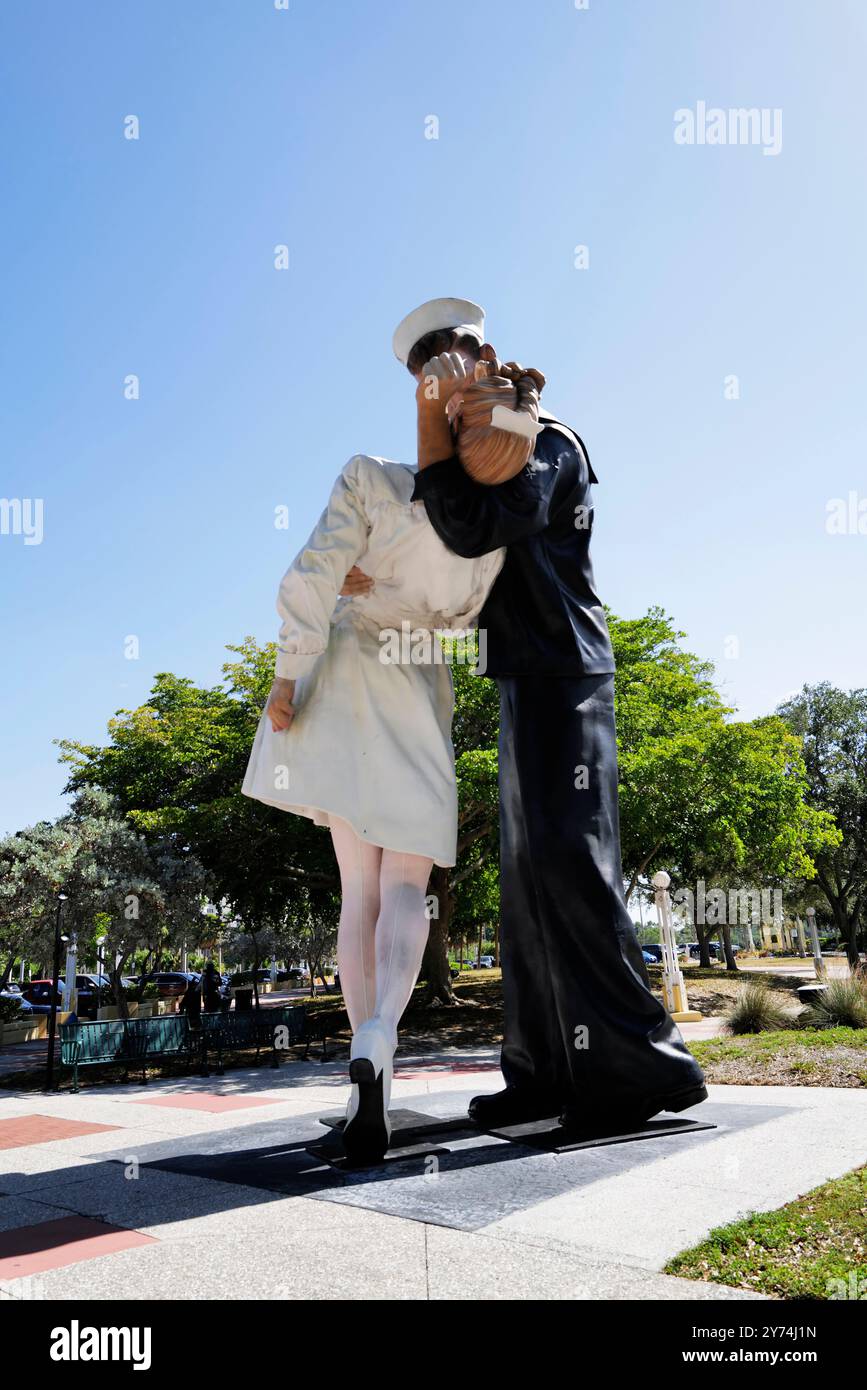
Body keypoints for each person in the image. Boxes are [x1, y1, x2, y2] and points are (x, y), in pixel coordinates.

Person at [343, 296, 707, 1135]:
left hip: (569, 668)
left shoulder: (541, 435)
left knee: (569, 867)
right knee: (524, 886)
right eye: (425, 361)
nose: (444, 366)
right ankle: (542, 1069)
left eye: (455, 349)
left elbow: (480, 531)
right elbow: (439, 558)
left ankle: (638, 1068)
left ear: (489, 351)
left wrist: (434, 434)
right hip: (518, 675)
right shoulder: (475, 452)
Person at [242, 299, 505, 1163]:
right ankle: (380, 1038)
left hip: (345, 673)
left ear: (415, 382)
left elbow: (309, 578)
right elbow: (470, 616)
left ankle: (371, 1073)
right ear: (478, 361)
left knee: (356, 892)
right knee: (405, 889)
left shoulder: (371, 476)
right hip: (418, 676)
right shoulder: (495, 502)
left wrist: (285, 678)